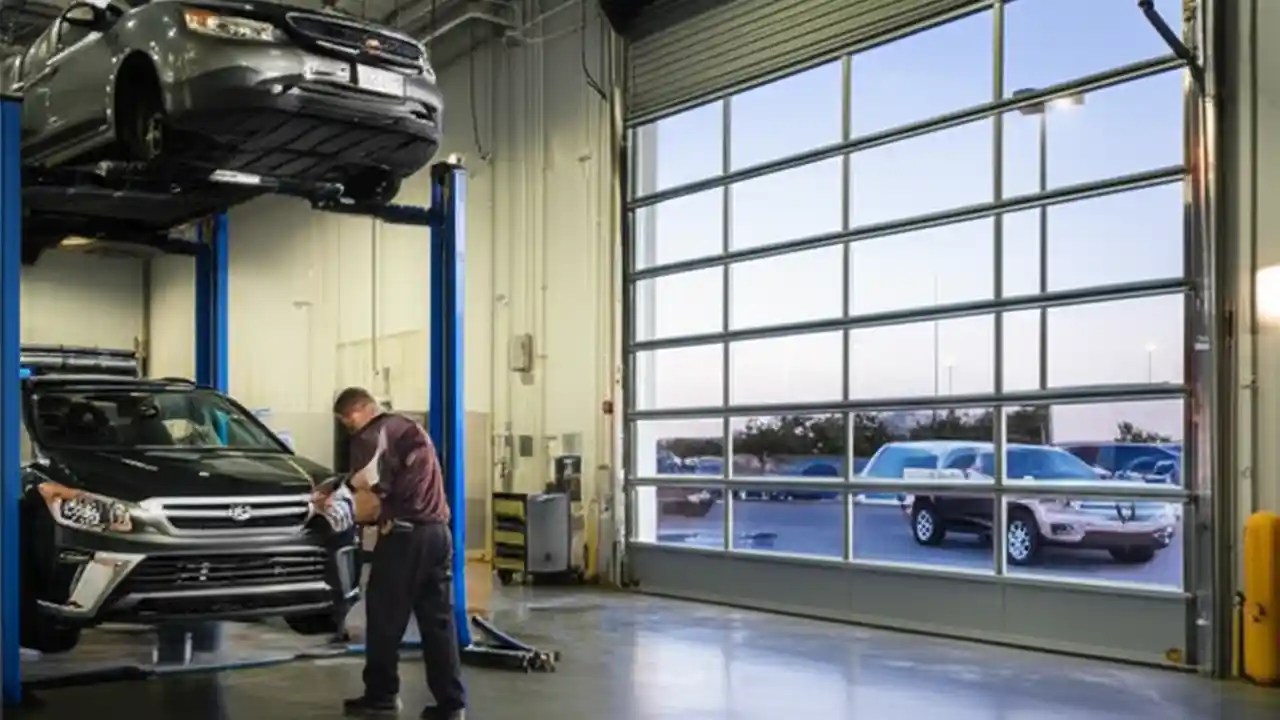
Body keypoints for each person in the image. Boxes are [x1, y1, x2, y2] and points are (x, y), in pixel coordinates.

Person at [324, 387, 466, 720]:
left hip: (404, 536)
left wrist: (335, 504)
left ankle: (381, 695)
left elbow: (368, 497)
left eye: (347, 421)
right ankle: (452, 704)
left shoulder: (372, 435)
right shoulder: (410, 428)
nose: (349, 428)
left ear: (358, 411)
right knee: (438, 624)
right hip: (439, 535)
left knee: (385, 618)